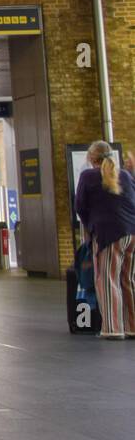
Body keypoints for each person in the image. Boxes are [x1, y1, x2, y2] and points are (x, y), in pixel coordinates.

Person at [74, 140, 135, 340]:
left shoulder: (88, 176)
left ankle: (113, 329)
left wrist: (90, 227)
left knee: (107, 279)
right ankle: (132, 327)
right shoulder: (125, 175)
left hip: (108, 234)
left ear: (92, 159)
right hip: (132, 232)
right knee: (128, 279)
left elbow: (80, 206)